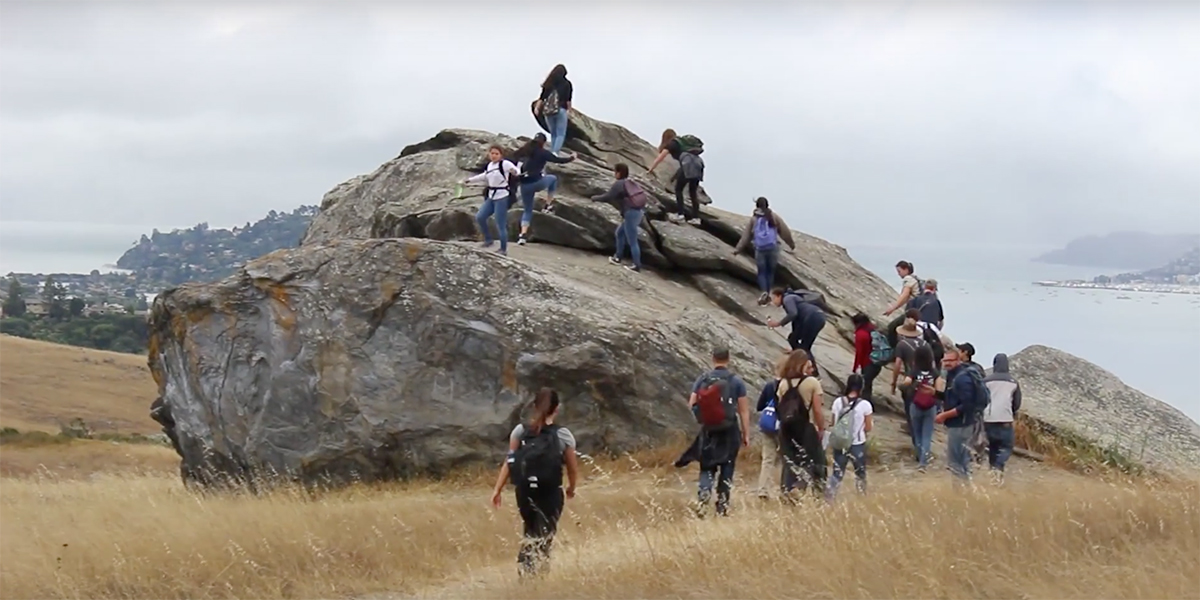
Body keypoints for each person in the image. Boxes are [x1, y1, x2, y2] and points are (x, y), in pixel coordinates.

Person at [490, 388, 580, 577]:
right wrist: (571, 488)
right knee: (544, 536)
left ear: (533, 406)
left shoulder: (520, 431)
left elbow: (510, 460)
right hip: (551, 493)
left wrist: (497, 489)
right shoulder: (563, 435)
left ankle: (525, 574)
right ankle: (538, 579)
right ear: (557, 408)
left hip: (524, 492)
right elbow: (572, 468)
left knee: (530, 531)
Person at [686, 348, 751, 516]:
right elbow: (743, 410)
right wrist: (746, 434)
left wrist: (702, 419)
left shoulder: (703, 379)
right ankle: (722, 504)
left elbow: (692, 403)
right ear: (728, 359)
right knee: (727, 464)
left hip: (709, 429)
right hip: (729, 429)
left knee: (707, 464)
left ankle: (704, 495)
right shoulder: (735, 381)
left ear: (713, 358)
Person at [775, 349, 826, 496]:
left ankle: (787, 490)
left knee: (790, 461)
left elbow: (780, 407)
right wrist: (821, 428)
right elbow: (817, 410)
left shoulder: (783, 383)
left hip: (786, 428)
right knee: (815, 460)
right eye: (808, 366)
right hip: (804, 427)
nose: (811, 369)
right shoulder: (812, 382)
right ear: (802, 365)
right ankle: (804, 487)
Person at [935, 346, 984, 484]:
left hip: (961, 424)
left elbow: (967, 405)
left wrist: (944, 415)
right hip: (961, 423)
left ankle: (961, 493)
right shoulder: (954, 376)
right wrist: (934, 394)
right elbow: (953, 398)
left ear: (958, 361)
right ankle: (966, 491)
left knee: (955, 462)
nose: (946, 363)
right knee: (963, 461)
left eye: (950, 360)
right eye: (945, 361)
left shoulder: (962, 379)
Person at [735, 197, 797, 305]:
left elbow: (746, 236)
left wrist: (738, 249)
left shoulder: (754, 219)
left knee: (762, 271)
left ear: (757, 206)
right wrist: (791, 244)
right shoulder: (773, 216)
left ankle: (764, 292)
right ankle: (768, 292)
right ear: (767, 205)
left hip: (760, 249)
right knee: (770, 271)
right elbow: (784, 231)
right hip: (773, 248)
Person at [512, 133, 576, 238]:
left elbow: (512, 160)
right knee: (553, 179)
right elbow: (558, 160)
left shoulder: (523, 152)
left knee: (527, 210)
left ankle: (522, 234)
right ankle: (547, 205)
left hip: (524, 186)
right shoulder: (543, 153)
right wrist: (571, 158)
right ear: (544, 142)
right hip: (537, 183)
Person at [463, 146, 521, 256]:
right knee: (480, 217)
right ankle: (488, 239)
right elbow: (485, 175)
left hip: (502, 196)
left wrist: (514, 171)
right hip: (491, 196)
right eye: (492, 153)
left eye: (496, 153)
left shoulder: (504, 164)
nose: (494, 156)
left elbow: (516, 171)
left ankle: (503, 249)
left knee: (500, 223)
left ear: (501, 155)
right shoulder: (490, 165)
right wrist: (469, 180)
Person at [590, 163, 645, 272]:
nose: (614, 174)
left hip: (631, 213)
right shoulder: (630, 182)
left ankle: (636, 265)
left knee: (632, 240)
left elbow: (609, 196)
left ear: (619, 172)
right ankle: (618, 257)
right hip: (638, 211)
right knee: (620, 233)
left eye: (615, 171)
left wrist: (595, 198)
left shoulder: (619, 184)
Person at [826, 374, 872, 500]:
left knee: (837, 472)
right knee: (860, 473)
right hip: (857, 443)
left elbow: (833, 422)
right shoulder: (865, 405)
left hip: (840, 442)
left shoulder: (837, 402)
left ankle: (829, 499)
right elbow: (868, 427)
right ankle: (862, 497)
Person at [646, 129, 704, 225]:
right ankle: (696, 218)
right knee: (693, 192)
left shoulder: (672, 144)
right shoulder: (683, 144)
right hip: (698, 164)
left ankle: (680, 215)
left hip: (687, 164)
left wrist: (651, 169)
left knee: (678, 190)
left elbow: (660, 157)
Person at [901, 344, 944, 472]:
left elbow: (906, 383)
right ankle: (923, 463)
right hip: (930, 407)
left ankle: (920, 458)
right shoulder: (934, 372)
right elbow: (939, 389)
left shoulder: (914, 371)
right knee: (927, 435)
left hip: (916, 405)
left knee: (917, 434)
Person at [767, 287, 827, 377]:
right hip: (817, 317)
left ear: (779, 296)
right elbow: (796, 320)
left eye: (773, 298)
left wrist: (778, 323)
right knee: (793, 339)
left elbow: (793, 313)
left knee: (805, 347)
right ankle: (798, 356)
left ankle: (813, 373)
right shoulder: (792, 298)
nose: (773, 302)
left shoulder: (787, 299)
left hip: (812, 317)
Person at [983, 353, 1022, 481]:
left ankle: (993, 474)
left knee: (993, 447)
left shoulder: (986, 381)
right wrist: (1011, 412)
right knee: (1006, 447)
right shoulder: (1013, 382)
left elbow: (982, 399)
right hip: (1005, 419)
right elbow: (1016, 403)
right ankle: (998, 467)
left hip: (988, 418)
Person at [754, 355, 789, 498]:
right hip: (784, 427)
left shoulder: (769, 386)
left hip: (768, 425)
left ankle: (762, 490)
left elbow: (759, 406)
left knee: (767, 459)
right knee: (786, 459)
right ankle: (785, 489)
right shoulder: (789, 386)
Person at [889, 309, 928, 427]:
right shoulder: (924, 344)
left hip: (911, 377)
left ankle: (911, 425)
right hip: (926, 377)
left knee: (908, 399)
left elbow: (897, 365)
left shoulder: (902, 345)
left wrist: (894, 383)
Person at [534, 64, 573, 156]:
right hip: (561, 109)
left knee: (553, 133)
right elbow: (568, 99)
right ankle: (555, 152)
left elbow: (542, 97)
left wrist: (537, 108)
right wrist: (569, 111)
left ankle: (552, 151)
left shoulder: (549, 82)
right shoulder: (567, 84)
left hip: (548, 111)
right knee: (560, 133)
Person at [850, 312, 886, 403]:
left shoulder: (860, 334)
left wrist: (855, 368)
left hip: (867, 364)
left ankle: (864, 405)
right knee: (868, 384)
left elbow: (859, 353)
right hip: (877, 363)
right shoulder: (872, 329)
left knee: (864, 386)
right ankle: (867, 404)